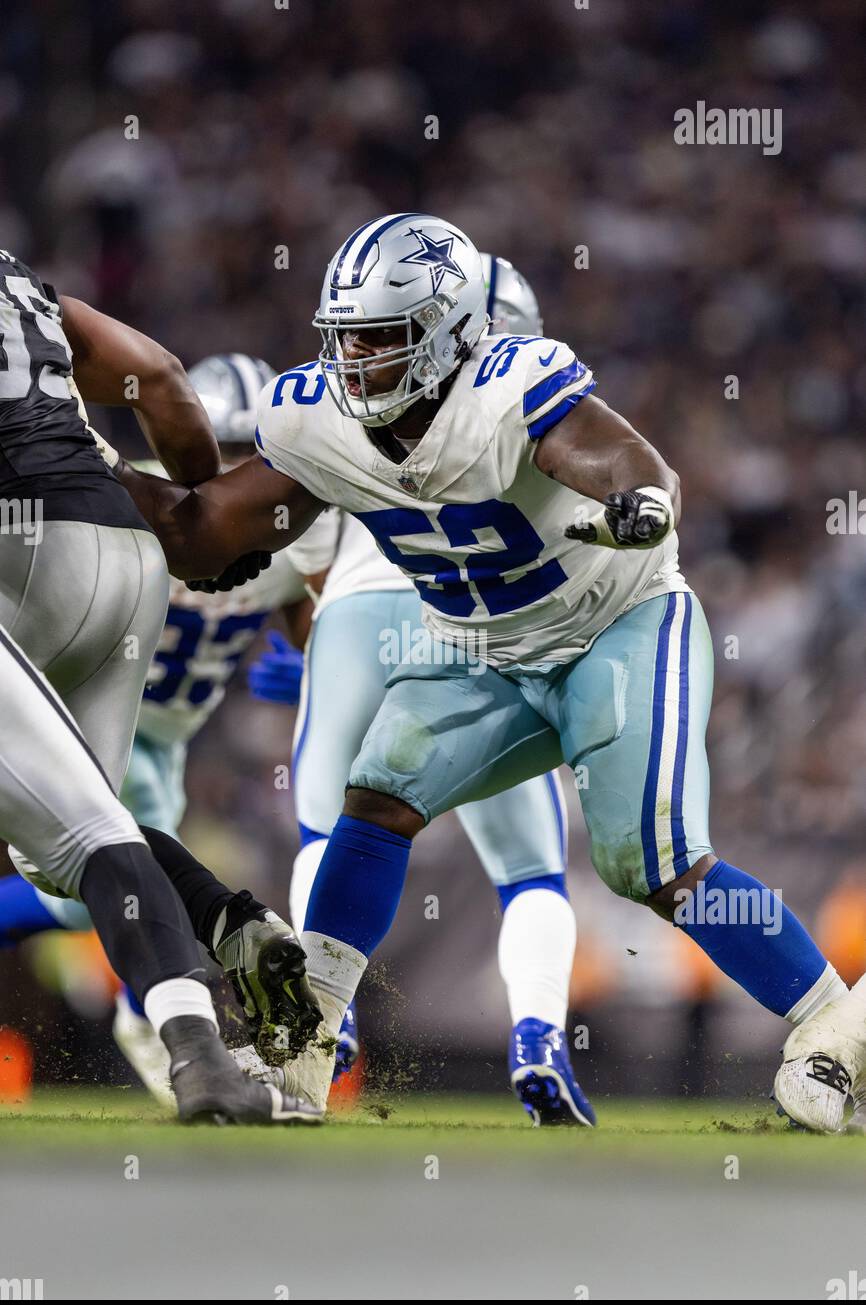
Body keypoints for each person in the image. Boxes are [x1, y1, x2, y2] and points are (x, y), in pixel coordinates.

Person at [112, 214, 866, 1133]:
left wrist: (638, 497)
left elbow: (620, 456)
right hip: (481, 647)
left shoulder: (507, 384)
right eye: (344, 336)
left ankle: (834, 1029)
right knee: (377, 798)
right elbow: (206, 532)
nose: (353, 361)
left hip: (612, 628)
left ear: (446, 332)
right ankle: (304, 1050)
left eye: (380, 338)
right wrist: (95, 470)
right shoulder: (317, 418)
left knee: (654, 862)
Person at [247, 255, 593, 1127]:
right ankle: (539, 1037)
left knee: (328, 829)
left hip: (358, 614)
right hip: (481, 625)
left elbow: (297, 554)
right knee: (531, 872)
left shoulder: (337, 406)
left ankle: (326, 1016)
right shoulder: (532, 402)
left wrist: (313, 647)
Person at [0, 252, 318, 1122]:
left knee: (79, 838)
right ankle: (226, 925)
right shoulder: (21, 283)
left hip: (13, 557)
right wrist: (205, 514)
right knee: (77, 839)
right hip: (122, 559)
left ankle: (200, 1051)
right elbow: (160, 376)